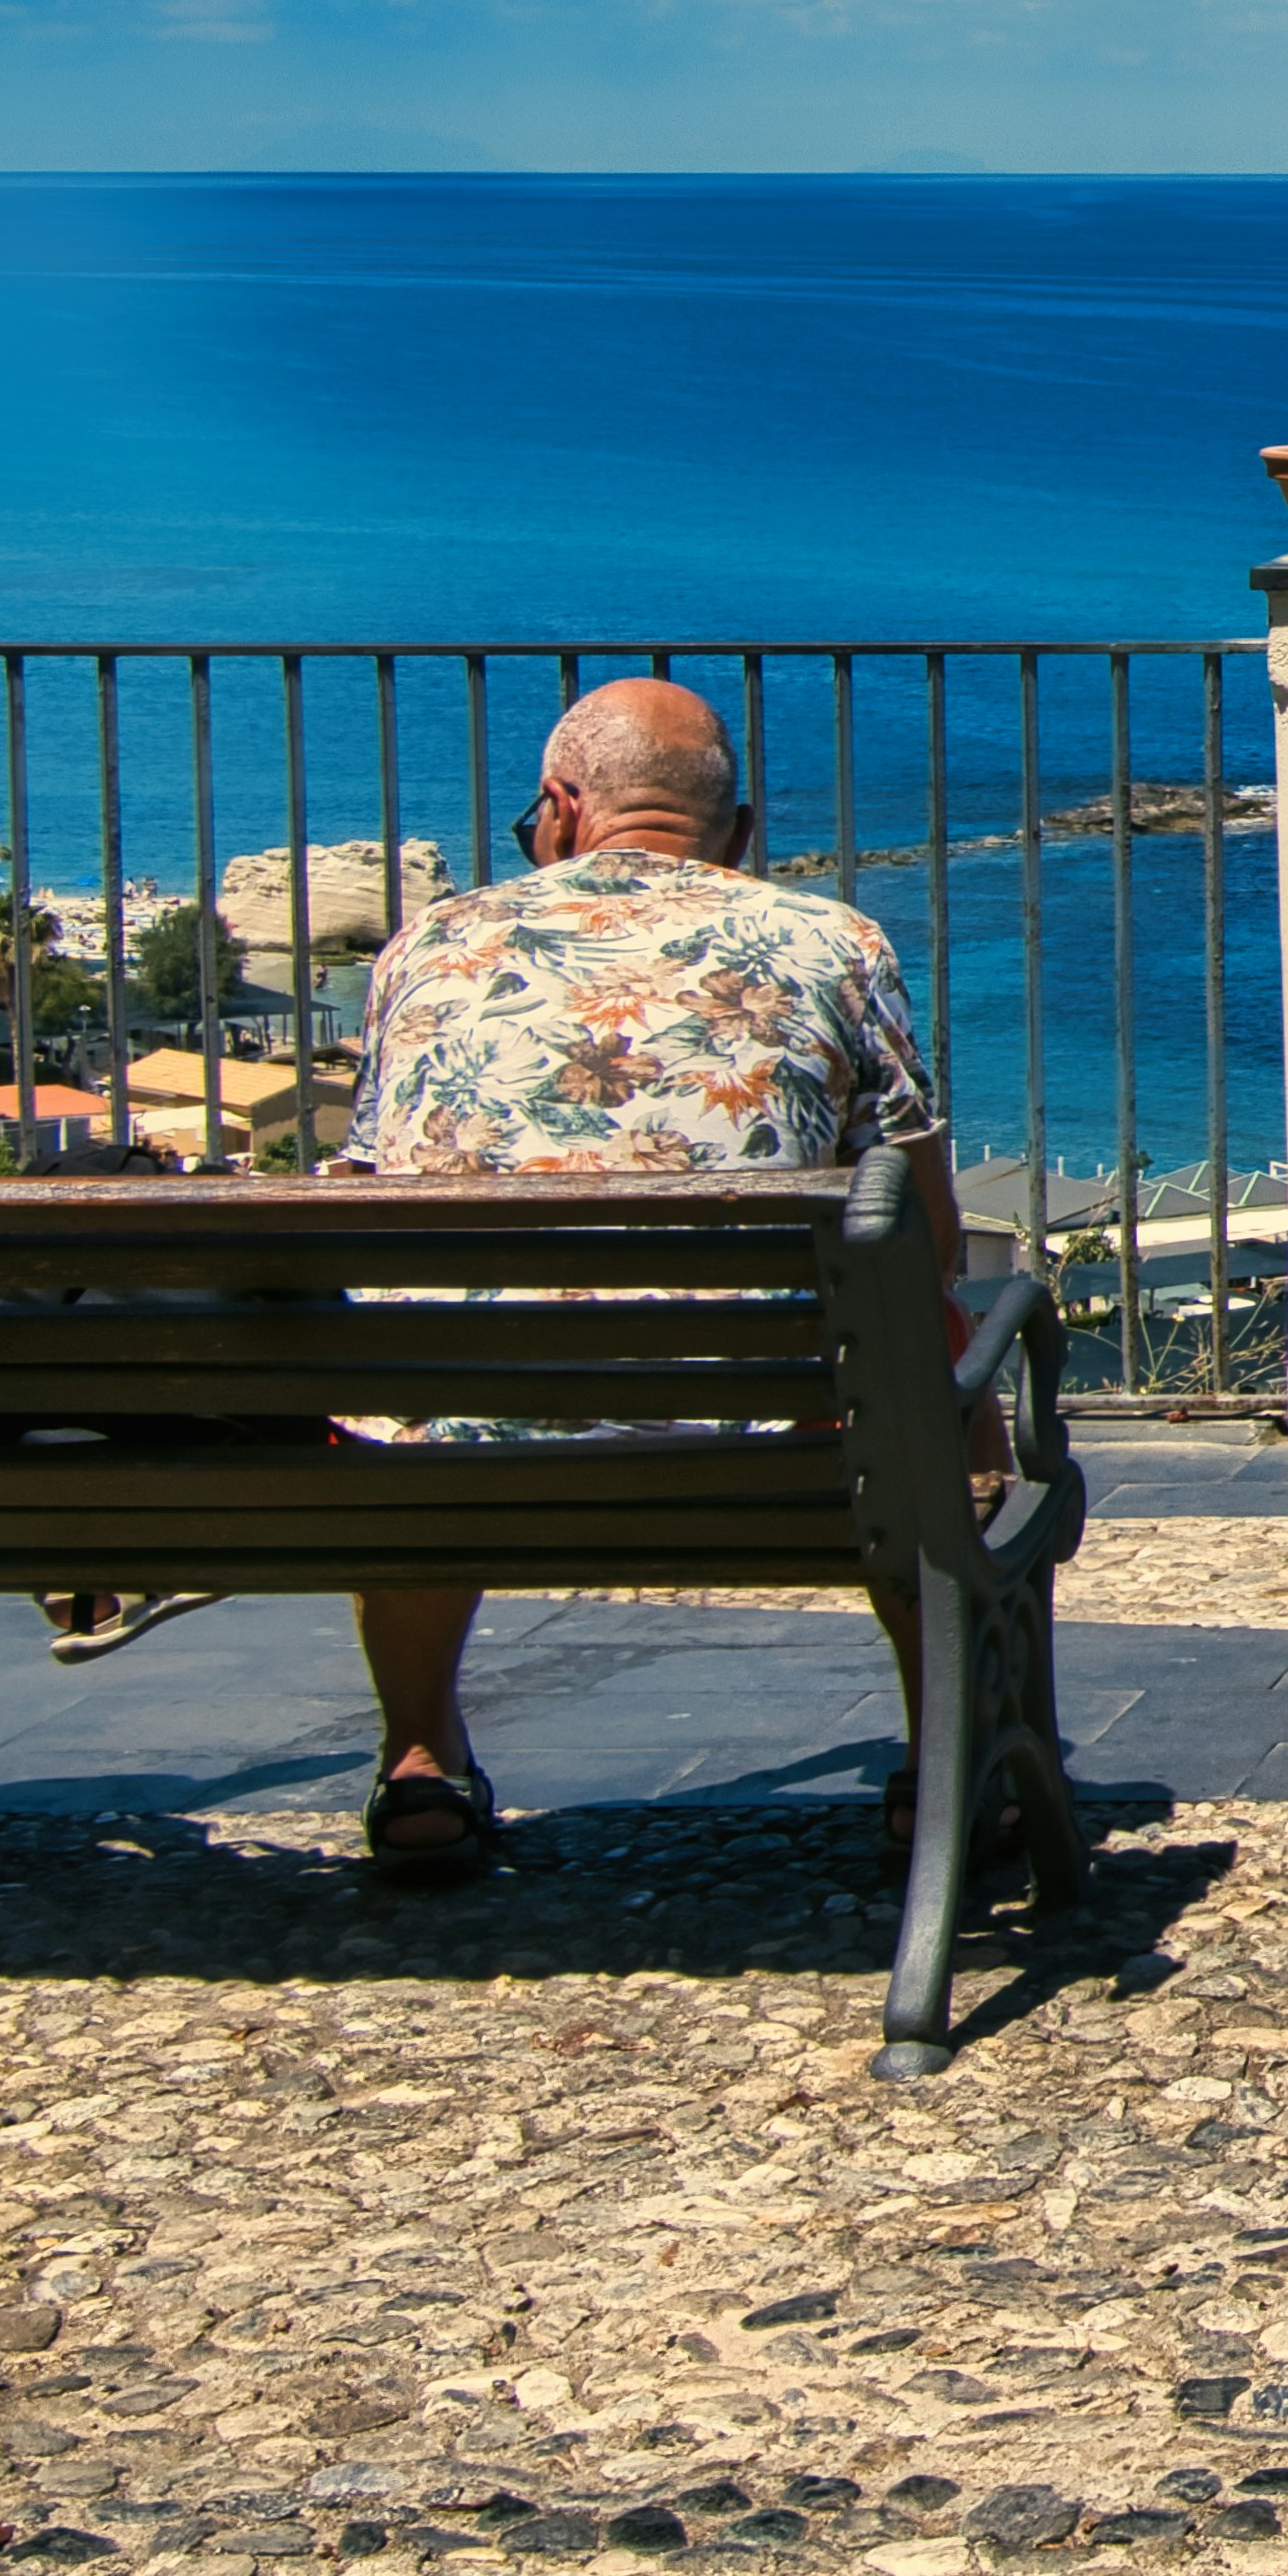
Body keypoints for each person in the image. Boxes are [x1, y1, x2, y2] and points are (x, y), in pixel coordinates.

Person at [338, 679, 959, 1873]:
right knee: (940, 1355)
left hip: (464, 1452)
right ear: (739, 833)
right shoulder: (835, 942)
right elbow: (922, 1236)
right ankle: (951, 1744)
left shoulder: (433, 941)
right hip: (771, 1451)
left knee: (417, 1384)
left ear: (562, 809)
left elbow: (365, 1201)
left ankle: (419, 1756)